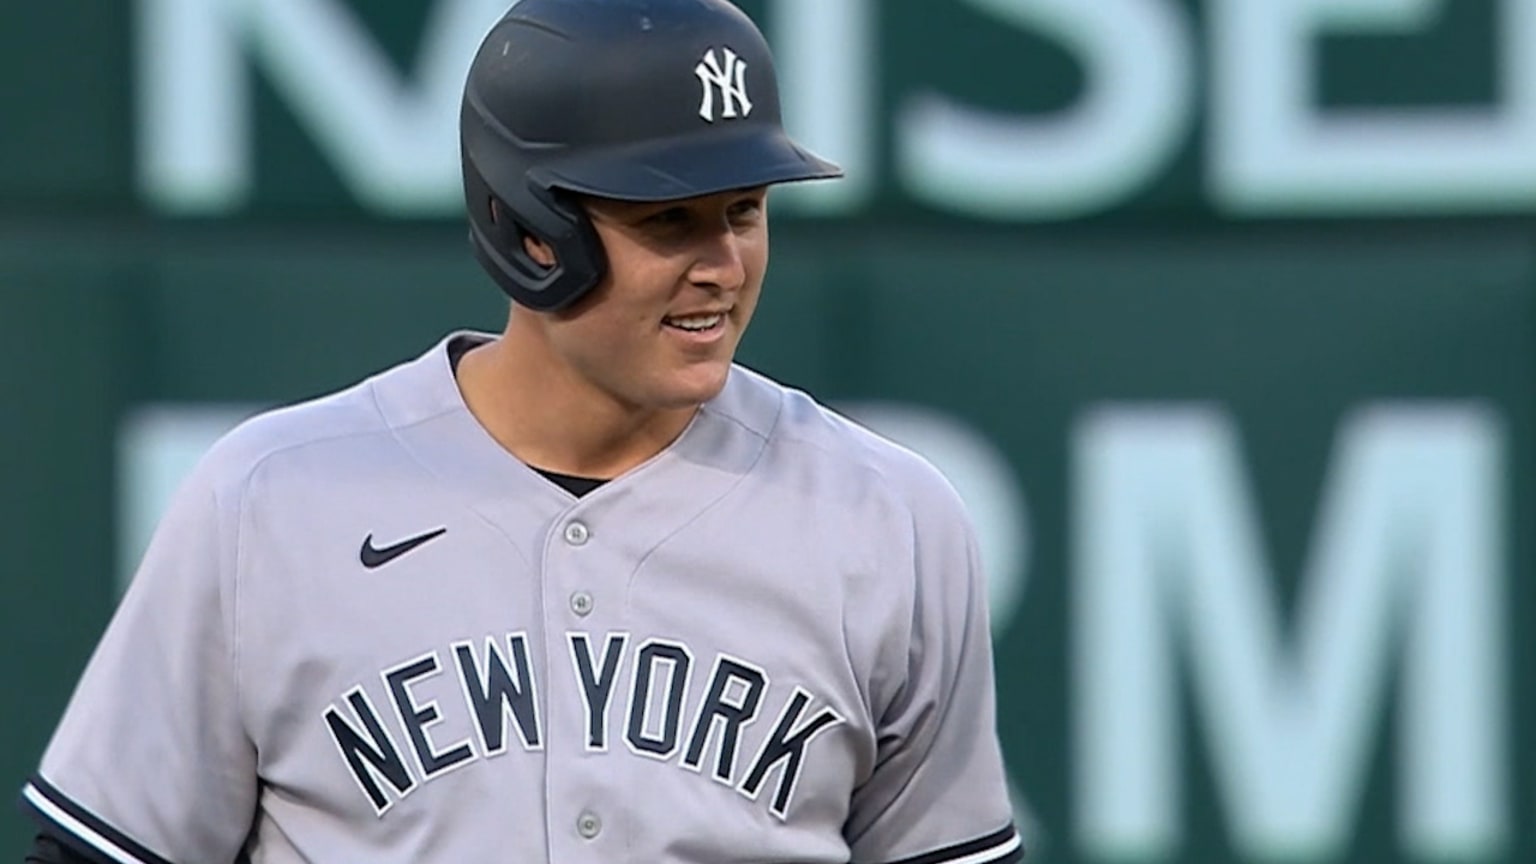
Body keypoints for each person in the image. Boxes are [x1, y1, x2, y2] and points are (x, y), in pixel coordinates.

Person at [19, 1, 1024, 861]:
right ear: (529, 231)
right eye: (669, 222)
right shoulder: (271, 499)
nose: (723, 265)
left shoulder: (887, 517)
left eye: (745, 212)